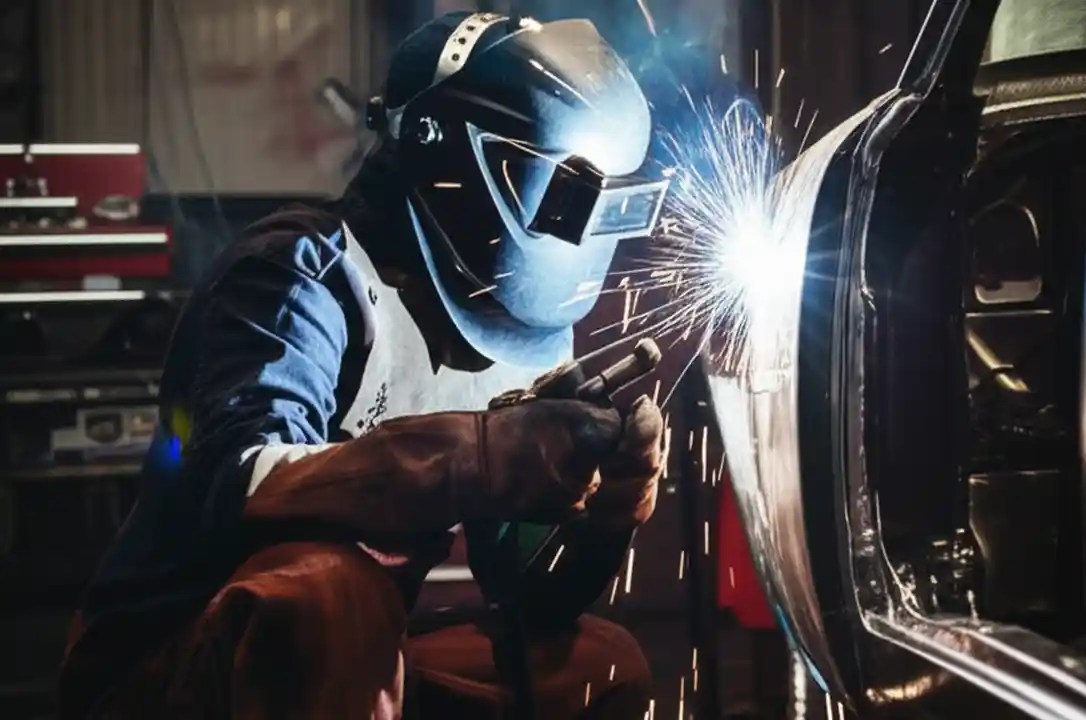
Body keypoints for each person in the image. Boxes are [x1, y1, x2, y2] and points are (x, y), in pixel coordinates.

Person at [58, 11, 669, 719]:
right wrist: (473, 453)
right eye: (563, 196)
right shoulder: (304, 277)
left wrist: (601, 510)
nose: (577, 221)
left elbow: (522, 589)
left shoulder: (520, 325)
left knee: (597, 667)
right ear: (452, 154)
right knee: (330, 591)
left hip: (350, 662)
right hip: (169, 667)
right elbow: (239, 485)